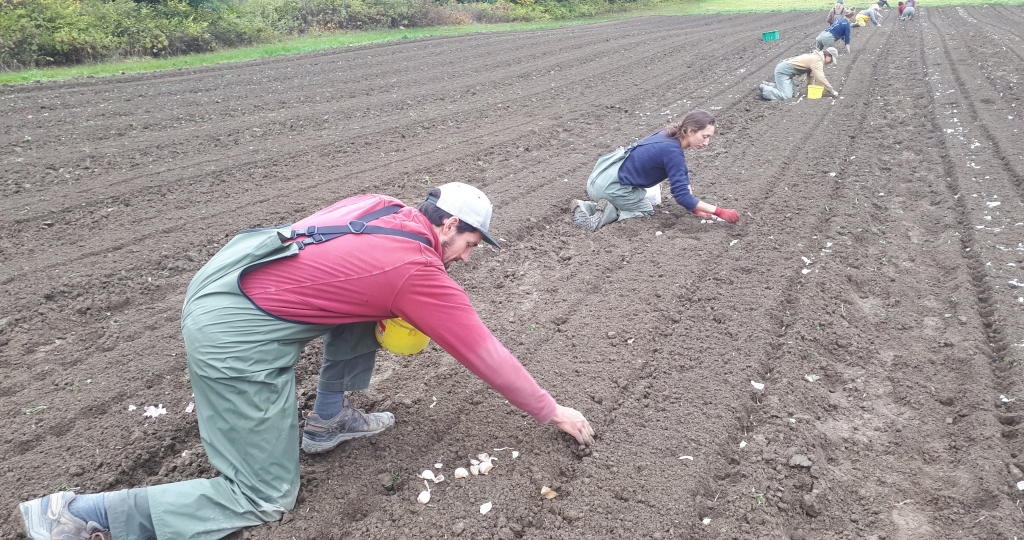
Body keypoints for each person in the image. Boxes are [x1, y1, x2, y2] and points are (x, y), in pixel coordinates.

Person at [18, 183, 596, 540]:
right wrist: (552, 410)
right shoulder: (415, 271)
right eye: (470, 245)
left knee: (363, 310)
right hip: (233, 335)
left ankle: (329, 418)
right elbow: (484, 352)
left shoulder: (382, 206)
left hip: (226, 278)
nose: (467, 258)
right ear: (448, 226)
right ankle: (81, 515)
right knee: (264, 496)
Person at [572, 110, 740, 230]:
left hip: (600, 177)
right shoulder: (673, 152)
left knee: (643, 192)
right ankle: (595, 214)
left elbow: (682, 174)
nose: (706, 143)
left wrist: (695, 206)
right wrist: (719, 211)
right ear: (690, 131)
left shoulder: (669, 135)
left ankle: (593, 205)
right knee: (644, 209)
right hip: (609, 188)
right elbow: (682, 197)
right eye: (705, 137)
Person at [760, 47, 840, 101]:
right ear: (827, 55)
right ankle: (765, 89)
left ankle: (770, 85)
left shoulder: (816, 58)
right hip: (783, 71)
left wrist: (810, 89)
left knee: (794, 94)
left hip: (787, 73)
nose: (830, 62)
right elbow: (821, 78)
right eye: (831, 60)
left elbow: (811, 75)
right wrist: (832, 91)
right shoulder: (817, 60)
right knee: (786, 96)